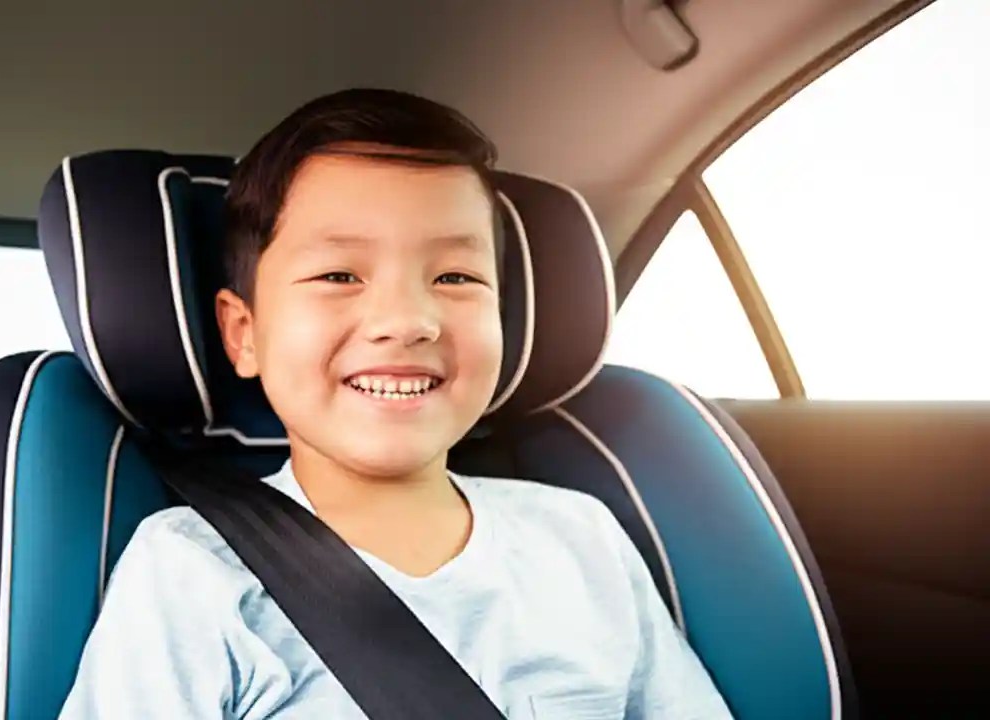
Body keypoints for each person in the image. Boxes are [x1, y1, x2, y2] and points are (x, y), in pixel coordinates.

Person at [59, 88, 732, 719]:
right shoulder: (189, 569)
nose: (406, 320)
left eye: (455, 276)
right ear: (244, 334)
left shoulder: (582, 540)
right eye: (339, 275)